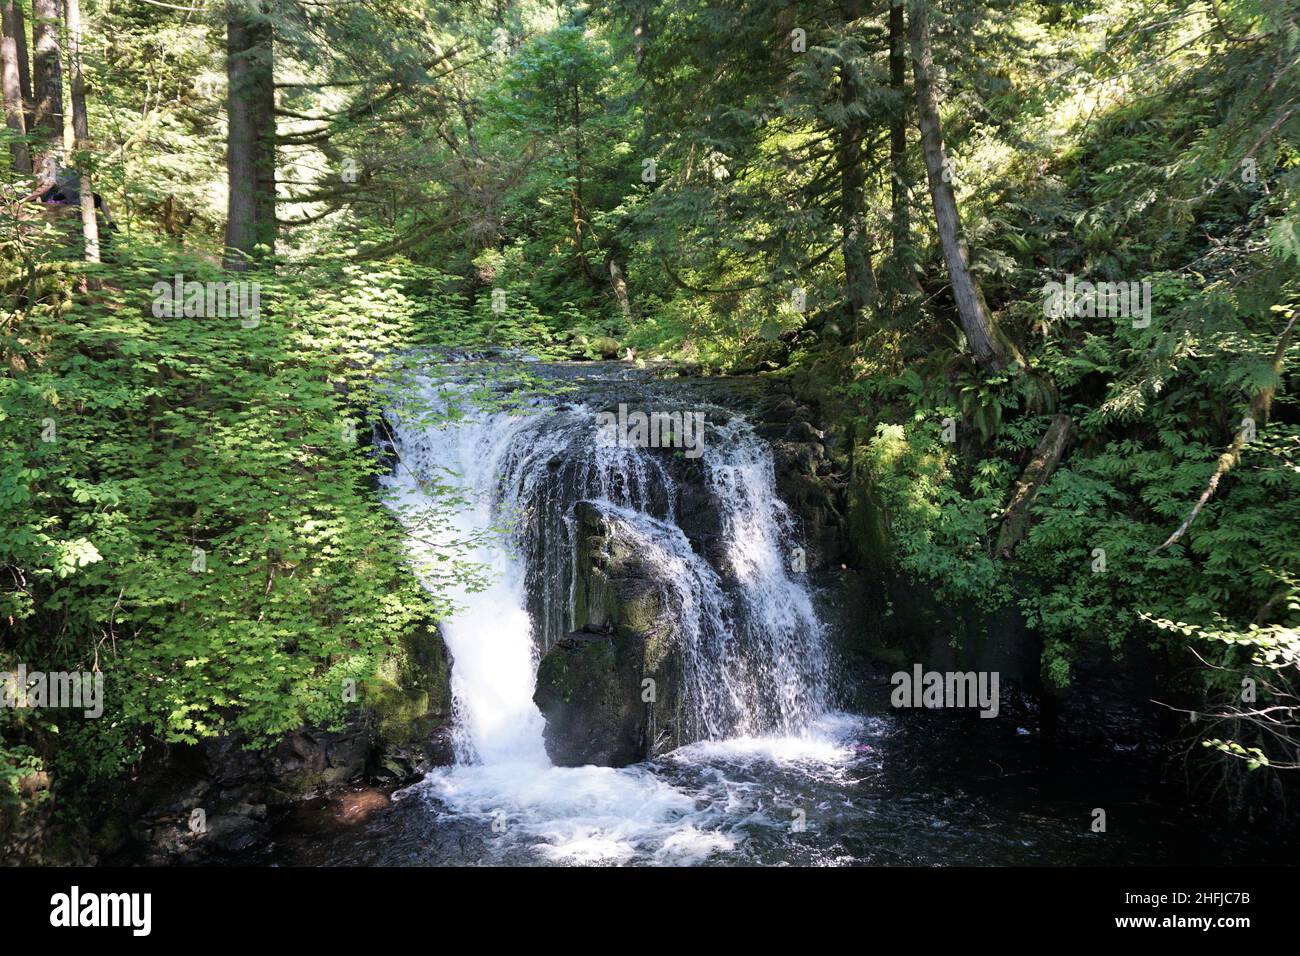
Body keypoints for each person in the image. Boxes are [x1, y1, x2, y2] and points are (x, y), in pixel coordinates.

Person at [24, 154, 118, 231]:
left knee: (45, 198)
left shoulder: (56, 173)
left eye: (46, 166)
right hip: (81, 195)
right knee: (100, 199)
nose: (45, 168)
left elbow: (46, 187)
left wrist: (26, 199)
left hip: (72, 199)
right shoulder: (68, 169)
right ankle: (110, 221)